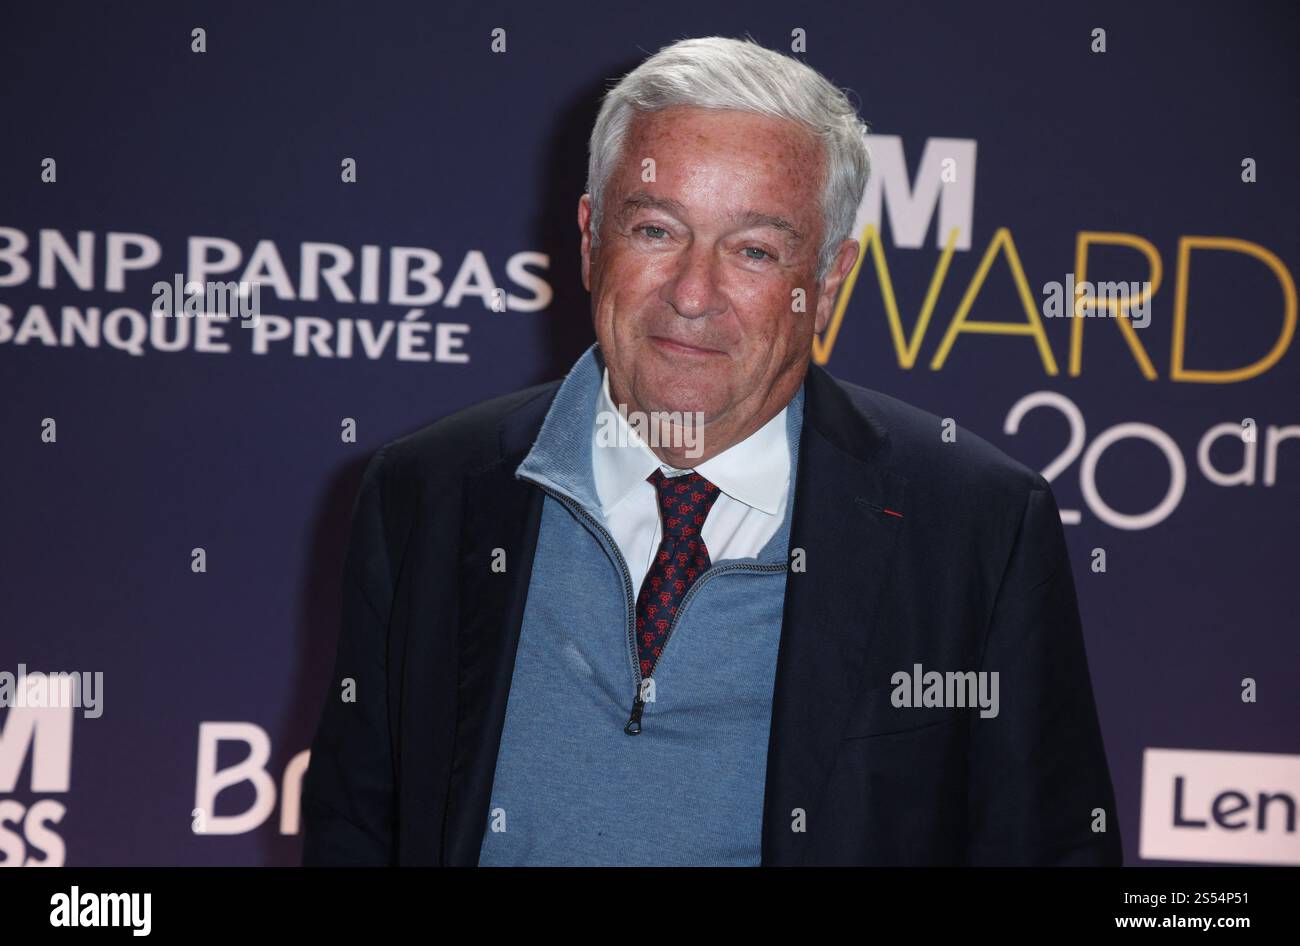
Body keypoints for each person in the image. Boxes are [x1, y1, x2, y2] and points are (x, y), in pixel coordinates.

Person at [301, 35, 1121, 866]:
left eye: (755, 251)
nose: (694, 295)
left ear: (831, 280)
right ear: (589, 242)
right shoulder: (428, 492)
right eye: (657, 230)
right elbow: (356, 824)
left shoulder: (973, 526)